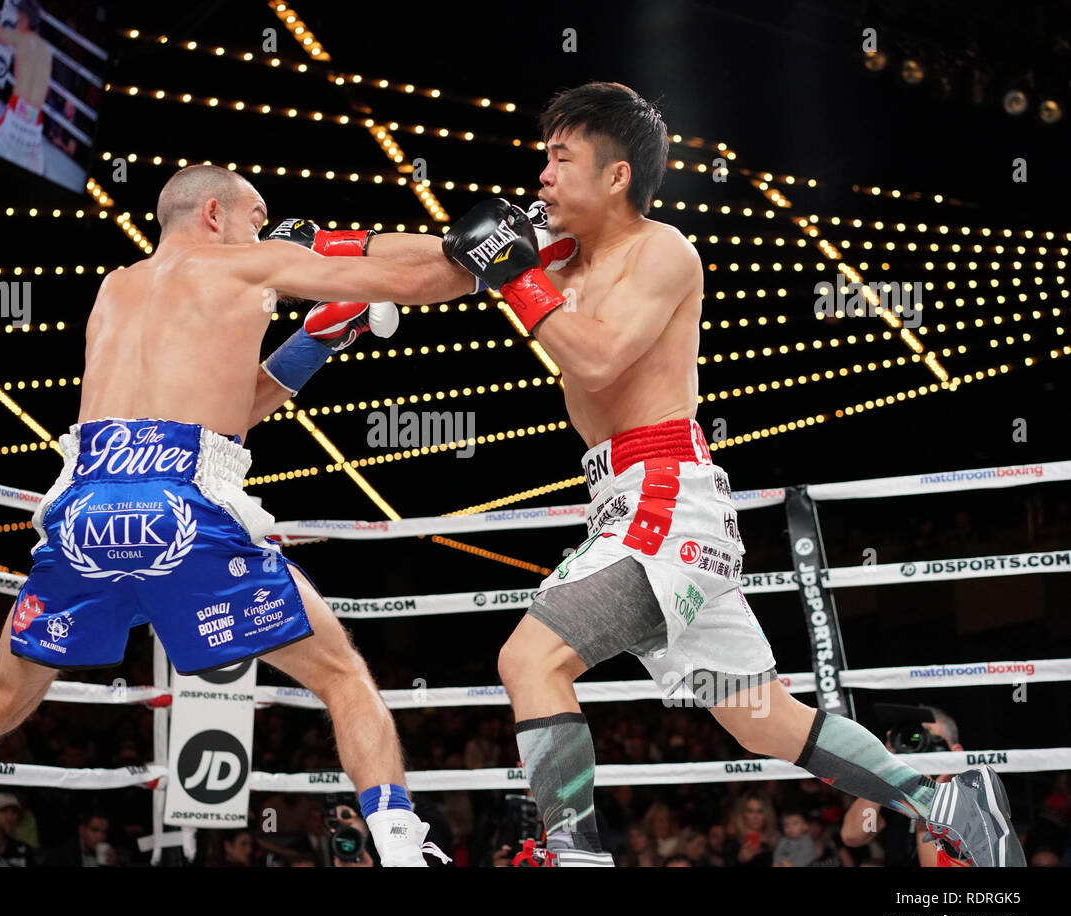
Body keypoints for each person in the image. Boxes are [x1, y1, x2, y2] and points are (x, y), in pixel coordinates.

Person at [0, 162, 473, 868]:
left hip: (83, 506)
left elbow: (226, 404)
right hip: (181, 499)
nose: (264, 230)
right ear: (213, 213)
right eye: (255, 214)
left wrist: (318, 342)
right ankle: (402, 850)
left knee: (1, 696)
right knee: (342, 677)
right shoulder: (247, 266)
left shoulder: (114, 289)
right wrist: (497, 249)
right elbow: (420, 278)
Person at [435, 80, 1024, 867]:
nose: (541, 174)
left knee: (529, 659)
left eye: (560, 157)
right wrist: (316, 259)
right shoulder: (555, 252)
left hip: (662, 497)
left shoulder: (662, 249)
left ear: (615, 175)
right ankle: (941, 797)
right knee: (760, 718)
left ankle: (572, 854)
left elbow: (602, 359)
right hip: (633, 504)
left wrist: (516, 276)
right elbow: (433, 266)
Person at [839, 705, 972, 867]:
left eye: (925, 737)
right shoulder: (899, 793)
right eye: (909, 738)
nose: (915, 744)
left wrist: (926, 805)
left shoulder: (973, 801)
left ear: (955, 752)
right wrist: (885, 768)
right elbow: (853, 836)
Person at [0, 0, 53, 175]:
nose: (17, 20)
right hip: (34, 130)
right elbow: (46, 90)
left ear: (25, 20)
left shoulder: (20, 38)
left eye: (19, 17)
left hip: (14, 121)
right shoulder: (47, 51)